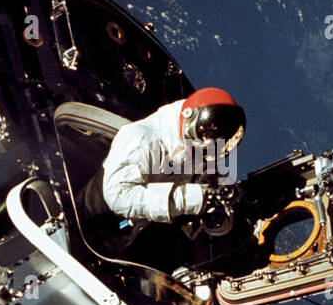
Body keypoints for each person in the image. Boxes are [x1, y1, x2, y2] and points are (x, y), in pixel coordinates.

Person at [100, 88, 245, 224]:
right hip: (95, 223)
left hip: (139, 226)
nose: (207, 150)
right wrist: (198, 198)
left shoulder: (195, 142)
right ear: (190, 119)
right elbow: (118, 195)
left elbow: (195, 177)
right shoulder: (141, 139)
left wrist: (216, 197)